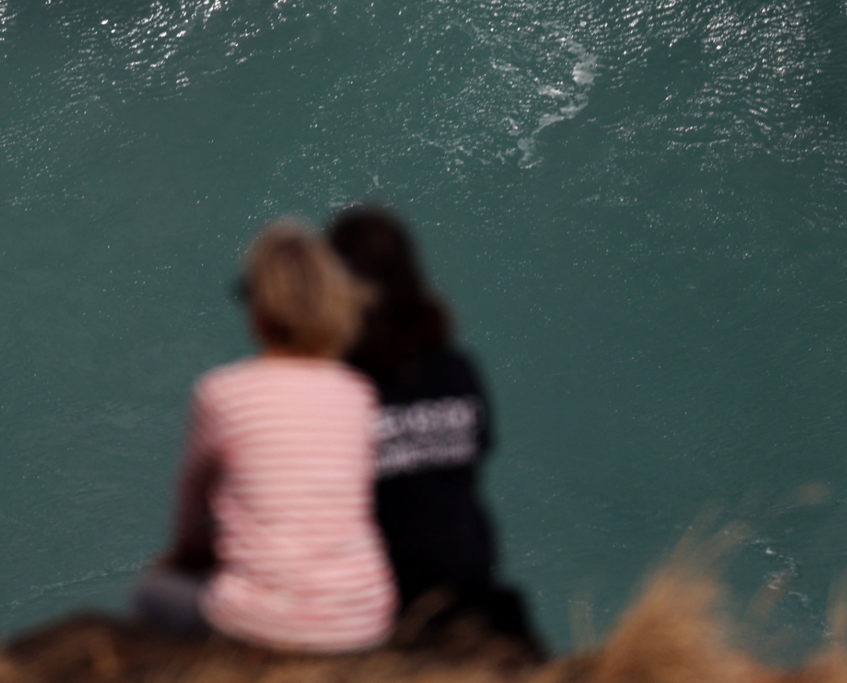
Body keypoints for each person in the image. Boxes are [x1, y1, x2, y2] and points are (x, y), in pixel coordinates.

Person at [132, 221, 397, 653]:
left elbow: (192, 509)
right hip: (364, 619)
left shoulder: (222, 392)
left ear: (261, 311)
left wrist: (190, 556)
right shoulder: (359, 393)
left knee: (153, 594)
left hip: (262, 622)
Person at [326, 204, 549, 660]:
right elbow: (477, 451)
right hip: (471, 587)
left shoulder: (343, 389)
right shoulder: (457, 370)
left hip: (388, 602)